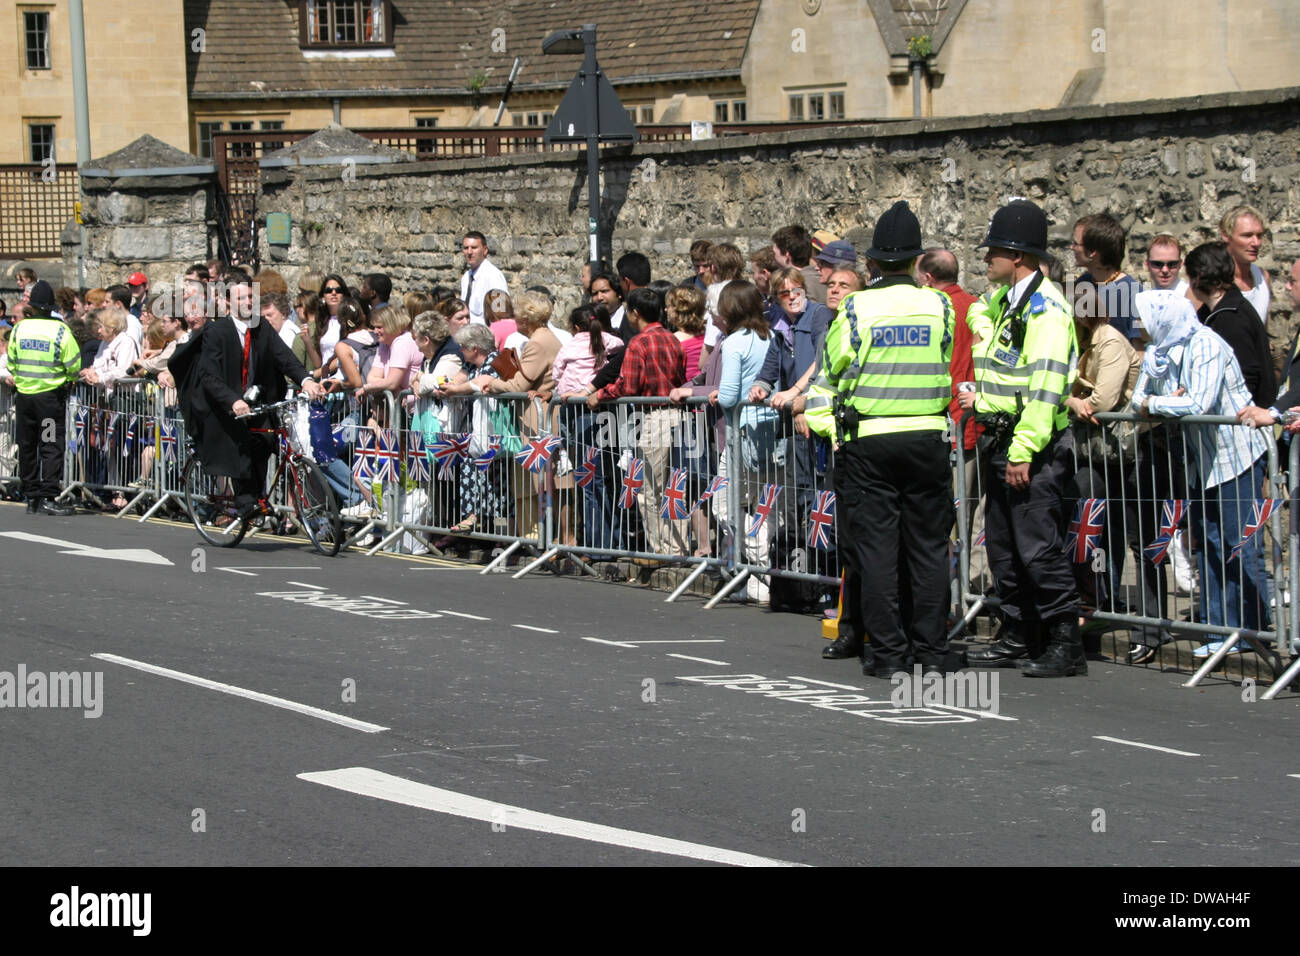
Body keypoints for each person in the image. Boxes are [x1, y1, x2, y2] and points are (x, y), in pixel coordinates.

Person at [801, 202, 954, 676]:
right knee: (929, 549)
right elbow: (943, 356)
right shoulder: (939, 304)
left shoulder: (856, 308)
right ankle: (931, 649)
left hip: (869, 441)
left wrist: (835, 429)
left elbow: (831, 373)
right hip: (928, 436)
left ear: (872, 263)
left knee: (878, 551)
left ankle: (888, 654)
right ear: (915, 261)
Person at [959, 199, 1085, 678]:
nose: (987, 257)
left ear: (1019, 255)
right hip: (1000, 438)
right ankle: (1017, 633)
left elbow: (1046, 386)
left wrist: (1023, 450)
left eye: (994, 249)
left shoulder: (1047, 310)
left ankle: (1064, 642)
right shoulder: (1005, 302)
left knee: (1037, 549)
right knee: (1004, 549)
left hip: (1029, 448)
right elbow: (981, 323)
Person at [1132, 292, 1271, 647]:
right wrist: (1164, 402)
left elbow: (1198, 402)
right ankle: (1218, 630)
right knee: (1207, 542)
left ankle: (1254, 632)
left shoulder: (1206, 344)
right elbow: (1137, 400)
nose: (1142, 328)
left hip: (1233, 457)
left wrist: (1160, 403)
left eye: (1146, 319)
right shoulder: (1161, 352)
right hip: (1201, 461)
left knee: (1238, 545)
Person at [180, 276, 324, 516]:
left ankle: (257, 497)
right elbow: (208, 375)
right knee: (239, 445)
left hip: (256, 401)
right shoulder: (217, 331)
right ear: (228, 302)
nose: (248, 302)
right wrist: (233, 400)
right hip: (225, 404)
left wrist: (307, 380)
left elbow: (284, 358)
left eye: (250, 296)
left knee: (265, 441)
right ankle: (246, 501)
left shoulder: (260, 326)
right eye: (241, 298)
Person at [4, 280, 80, 515]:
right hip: (48, 400)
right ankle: (48, 495)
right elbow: (74, 365)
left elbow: (12, 362)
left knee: (27, 446)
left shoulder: (19, 329)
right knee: (49, 446)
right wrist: (65, 377)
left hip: (25, 399)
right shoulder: (60, 330)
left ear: (33, 306)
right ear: (51, 307)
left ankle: (31, 498)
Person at [1185, 242, 1275, 410]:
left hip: (1242, 422)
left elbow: (1246, 373)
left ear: (1197, 278)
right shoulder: (1214, 312)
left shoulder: (1231, 317)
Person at [1071, 213, 1144, 348]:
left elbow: (1139, 349)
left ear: (1093, 252)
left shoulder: (1133, 293)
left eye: (1076, 244)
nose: (1072, 248)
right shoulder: (1082, 284)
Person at [1219, 205, 1269, 322]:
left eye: (1259, 236)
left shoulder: (1263, 278)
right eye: (1247, 235)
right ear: (1226, 235)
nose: (1256, 243)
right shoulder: (1209, 281)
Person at [460, 231, 509, 325]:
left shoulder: (493, 276)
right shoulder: (466, 278)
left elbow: (501, 314)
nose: (469, 252)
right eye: (466, 248)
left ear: (485, 250)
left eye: (474, 248)